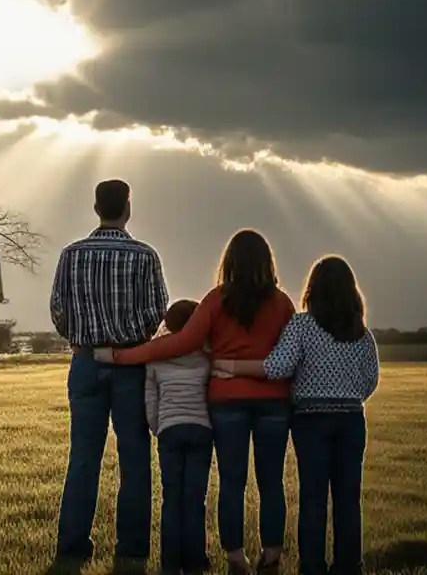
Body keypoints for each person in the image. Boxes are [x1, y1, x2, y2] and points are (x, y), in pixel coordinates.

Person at [98, 229, 295, 574]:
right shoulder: (282, 304)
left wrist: (120, 356)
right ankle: (272, 555)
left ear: (229, 262)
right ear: (267, 261)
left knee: (233, 481)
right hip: (274, 402)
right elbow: (292, 356)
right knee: (271, 482)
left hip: (227, 404)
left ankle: (236, 557)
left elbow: (176, 344)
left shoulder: (217, 300)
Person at [213, 256, 380, 575]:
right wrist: (348, 397)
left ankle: (312, 567)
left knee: (313, 499)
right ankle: (348, 566)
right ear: (351, 291)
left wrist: (231, 367)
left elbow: (278, 367)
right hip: (350, 419)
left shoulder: (302, 325)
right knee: (348, 500)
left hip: (310, 420)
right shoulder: (362, 333)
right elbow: (370, 379)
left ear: (313, 289)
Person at [51, 179, 169, 571]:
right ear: (127, 207)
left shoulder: (71, 255)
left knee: (83, 454)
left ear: (96, 206)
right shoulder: (145, 256)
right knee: (134, 456)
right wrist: (131, 341)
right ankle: (132, 548)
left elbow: (58, 310)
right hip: (131, 364)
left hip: (85, 363)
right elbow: (158, 310)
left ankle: (72, 545)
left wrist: (84, 340)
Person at [145, 299, 212, 575]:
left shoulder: (156, 358)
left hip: (170, 431)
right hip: (200, 430)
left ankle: (170, 561)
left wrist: (157, 426)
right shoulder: (206, 356)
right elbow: (212, 394)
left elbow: (151, 400)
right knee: (195, 497)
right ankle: (195, 558)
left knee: (172, 497)